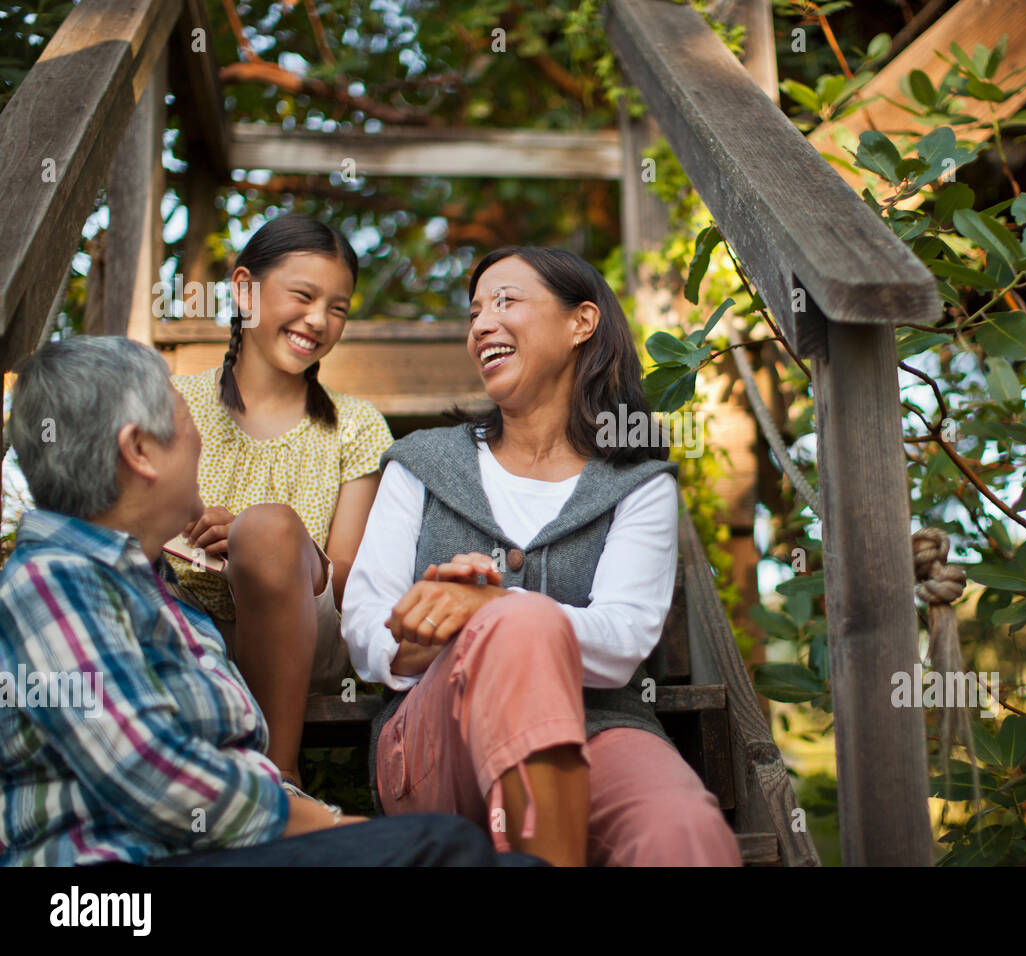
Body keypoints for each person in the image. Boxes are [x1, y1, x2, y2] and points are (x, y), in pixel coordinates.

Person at [0, 335, 539, 866]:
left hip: (201, 848)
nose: (199, 440)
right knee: (444, 848)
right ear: (140, 451)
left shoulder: (150, 585)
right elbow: (150, 773)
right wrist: (334, 827)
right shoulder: (55, 580)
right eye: (184, 417)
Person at [343, 246, 742, 867]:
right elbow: (365, 628)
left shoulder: (639, 482)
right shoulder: (420, 464)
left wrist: (490, 607)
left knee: (681, 830)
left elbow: (625, 638)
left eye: (505, 302)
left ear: (581, 322)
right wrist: (434, 631)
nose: (480, 325)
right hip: (436, 738)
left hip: (600, 726)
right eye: (474, 312)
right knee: (516, 623)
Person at [164, 214, 393, 789]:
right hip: (184, 616)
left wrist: (267, 543)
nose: (319, 320)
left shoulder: (357, 426)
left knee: (267, 529)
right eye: (304, 296)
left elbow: (347, 582)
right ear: (244, 292)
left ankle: (277, 778)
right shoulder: (171, 403)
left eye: (338, 307)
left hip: (305, 631)